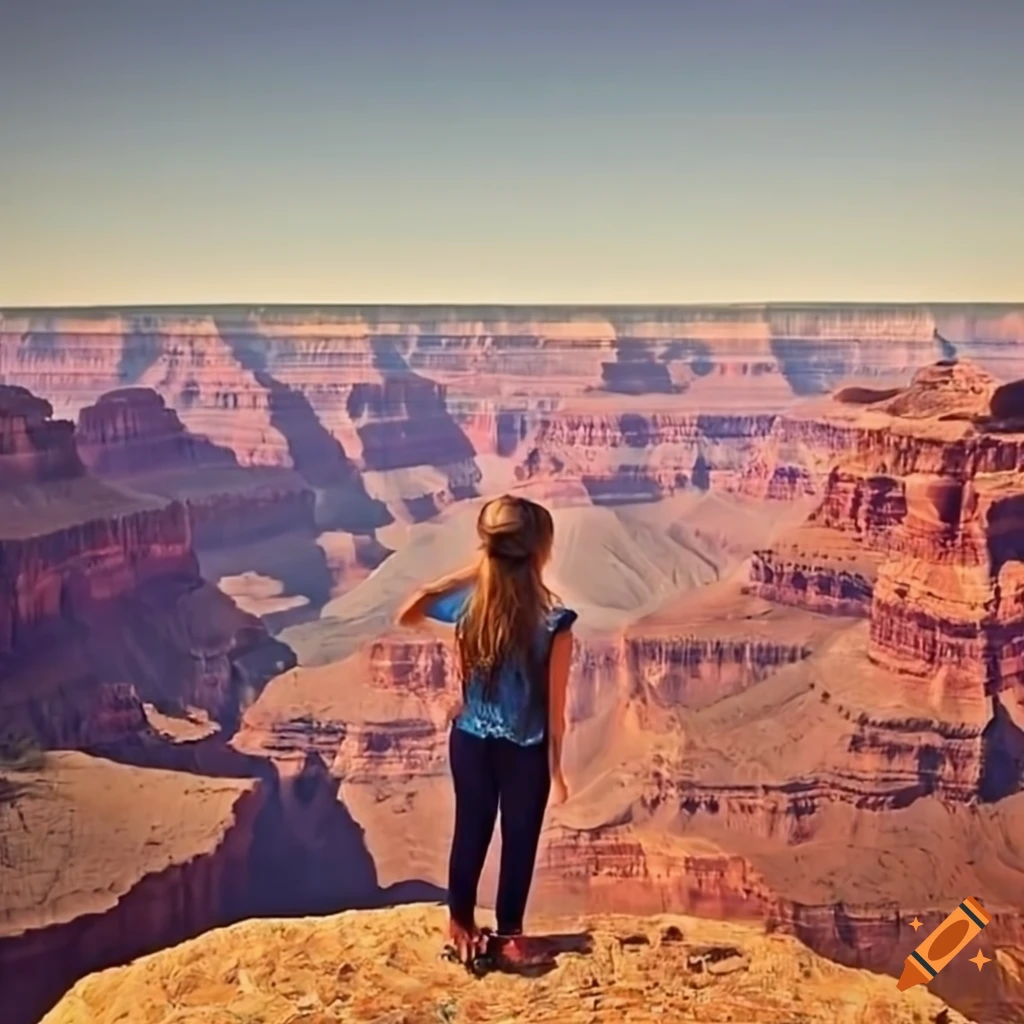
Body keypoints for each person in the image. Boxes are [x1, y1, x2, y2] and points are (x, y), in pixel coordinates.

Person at [395, 494, 576, 968]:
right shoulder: (554, 623)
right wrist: (556, 773)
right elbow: (556, 712)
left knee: (470, 830)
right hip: (525, 748)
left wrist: (474, 571)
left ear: (489, 548)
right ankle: (510, 935)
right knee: (519, 837)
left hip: (470, 741)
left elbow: (410, 611)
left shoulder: (468, 606)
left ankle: (460, 925)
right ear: (540, 549)